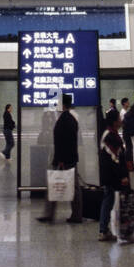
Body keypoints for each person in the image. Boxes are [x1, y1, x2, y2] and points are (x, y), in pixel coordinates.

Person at [38, 94, 82, 223]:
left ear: (63, 105)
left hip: (65, 159)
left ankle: (72, 215)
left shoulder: (66, 119)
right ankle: (52, 213)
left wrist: (62, 159)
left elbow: (66, 141)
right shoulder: (68, 118)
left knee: (61, 185)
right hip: (67, 158)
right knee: (60, 185)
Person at [97, 109, 132, 243]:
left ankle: (105, 229)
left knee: (110, 200)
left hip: (111, 174)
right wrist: (122, 176)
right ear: (114, 121)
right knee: (109, 200)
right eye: (119, 118)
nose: (121, 120)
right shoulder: (110, 136)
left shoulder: (112, 133)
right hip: (111, 175)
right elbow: (115, 158)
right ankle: (104, 230)